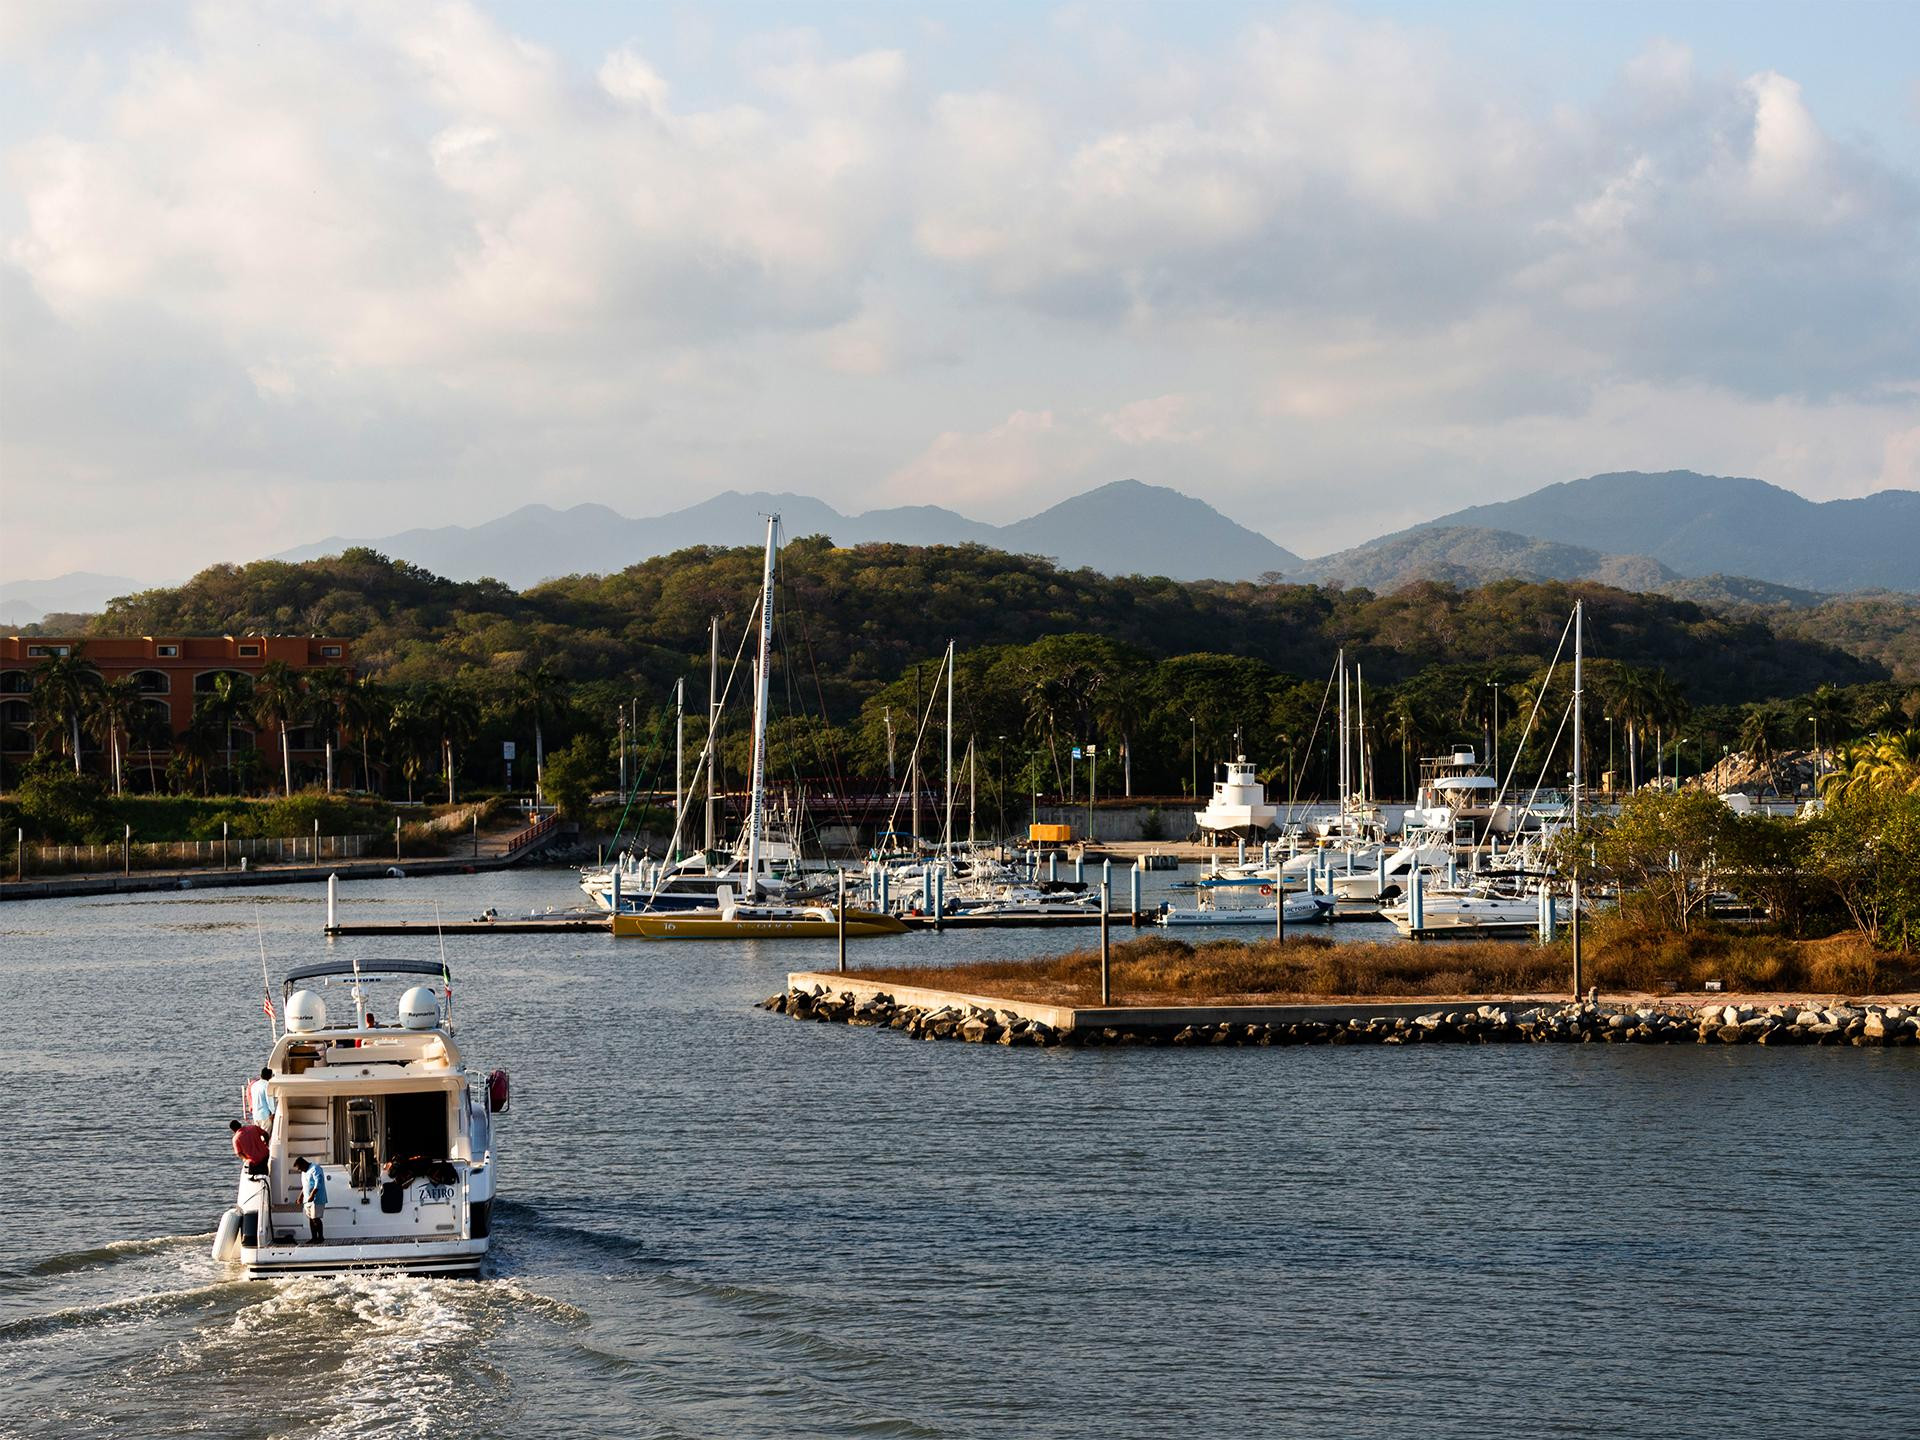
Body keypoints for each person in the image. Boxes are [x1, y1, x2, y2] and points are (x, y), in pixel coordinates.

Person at [293, 1157, 328, 1243]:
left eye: (300, 1168)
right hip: (307, 1199)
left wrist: (312, 1194)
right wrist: (300, 1197)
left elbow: (318, 1182)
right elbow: (305, 1185)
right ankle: (314, 1238)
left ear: (303, 1164)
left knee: (316, 1218)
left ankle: (320, 1237)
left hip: (317, 1198)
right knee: (310, 1218)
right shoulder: (304, 1172)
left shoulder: (315, 1168)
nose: (300, 1170)